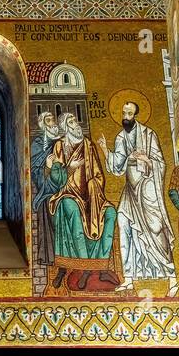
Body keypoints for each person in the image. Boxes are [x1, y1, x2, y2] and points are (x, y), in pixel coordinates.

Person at [100, 100, 177, 295]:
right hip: (130, 189)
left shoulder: (148, 135)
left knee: (155, 228)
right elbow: (117, 167)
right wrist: (104, 150)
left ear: (136, 115)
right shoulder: (120, 137)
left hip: (147, 186)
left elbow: (160, 162)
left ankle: (173, 277)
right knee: (123, 223)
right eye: (124, 113)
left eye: (129, 114)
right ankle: (129, 278)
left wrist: (146, 160)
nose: (125, 117)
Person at [47, 114, 119, 292]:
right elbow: (56, 179)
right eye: (70, 122)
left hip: (91, 197)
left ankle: (101, 267)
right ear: (65, 127)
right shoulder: (59, 146)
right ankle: (81, 267)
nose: (75, 125)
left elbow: (98, 174)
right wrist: (70, 168)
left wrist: (94, 187)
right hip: (68, 194)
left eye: (75, 121)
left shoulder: (88, 145)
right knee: (70, 208)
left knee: (110, 213)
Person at [30, 112, 63, 271]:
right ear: (43, 125)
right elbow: (34, 169)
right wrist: (48, 168)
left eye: (53, 120)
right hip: (47, 190)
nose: (52, 123)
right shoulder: (38, 143)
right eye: (48, 120)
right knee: (50, 210)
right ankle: (52, 256)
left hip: (66, 187)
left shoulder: (63, 141)